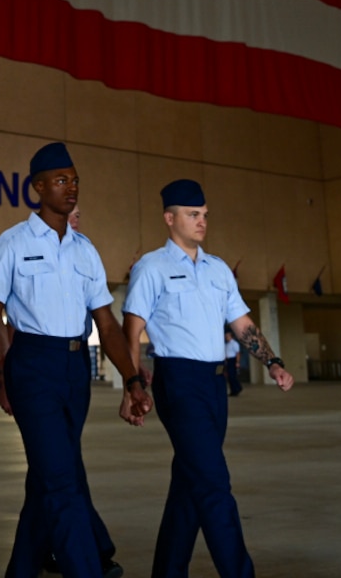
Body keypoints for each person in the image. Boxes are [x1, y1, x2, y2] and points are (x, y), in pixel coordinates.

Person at [0, 141, 150, 578]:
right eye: (62, 181)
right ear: (38, 187)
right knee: (63, 482)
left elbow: (106, 325)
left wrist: (131, 379)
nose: (72, 189)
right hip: (32, 366)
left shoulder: (85, 250)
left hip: (74, 369)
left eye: (76, 181)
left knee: (51, 474)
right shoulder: (11, 245)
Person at [123, 179, 293, 578]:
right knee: (214, 484)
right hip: (178, 382)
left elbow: (242, 324)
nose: (201, 222)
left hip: (215, 385)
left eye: (204, 215)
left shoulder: (218, 270)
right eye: (192, 215)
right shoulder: (152, 267)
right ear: (170, 218)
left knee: (190, 482)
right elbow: (132, 329)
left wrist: (273, 362)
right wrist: (133, 386)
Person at [224, 328, 243, 396]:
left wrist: (237, 362)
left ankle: (237, 388)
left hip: (233, 360)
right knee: (230, 376)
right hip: (228, 360)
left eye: (227, 336)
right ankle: (234, 390)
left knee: (232, 376)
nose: (226, 337)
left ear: (231, 335)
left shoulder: (234, 343)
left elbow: (238, 353)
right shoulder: (226, 344)